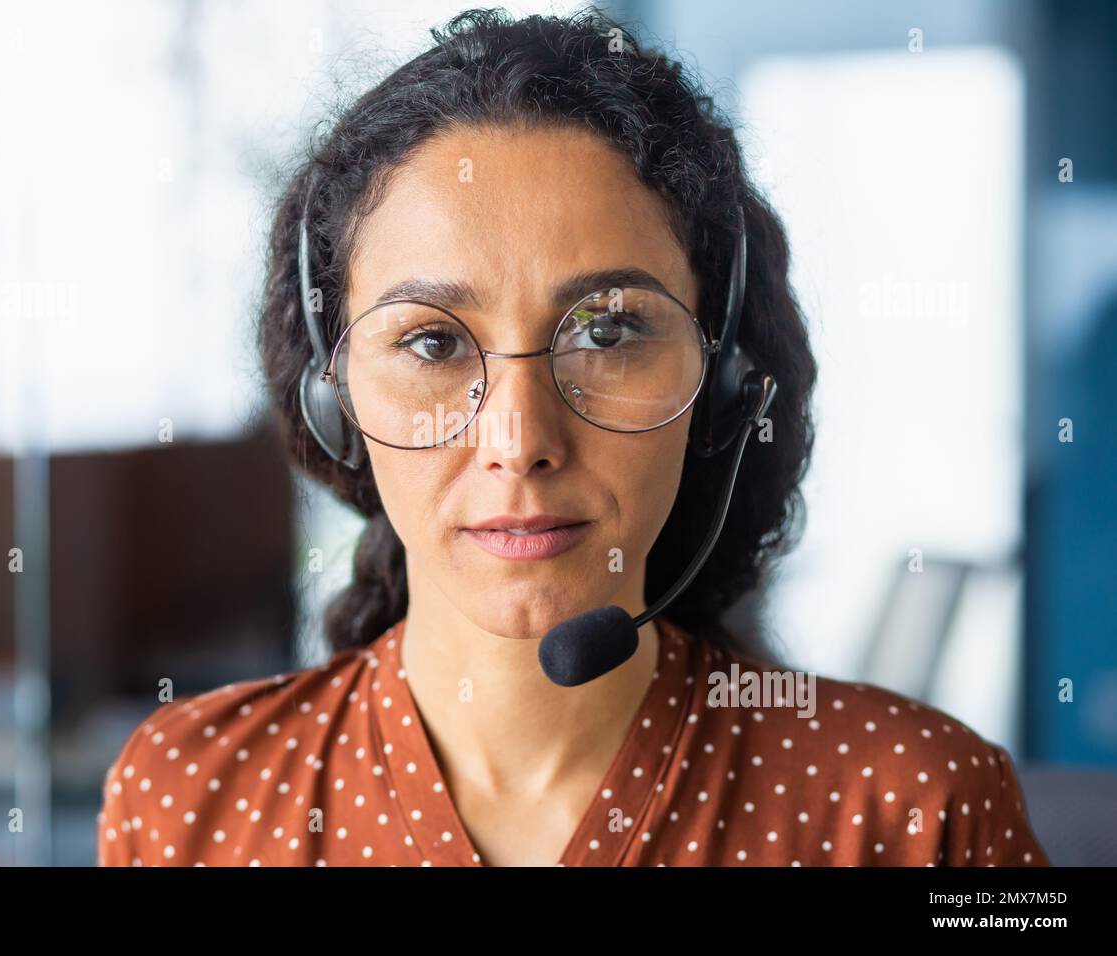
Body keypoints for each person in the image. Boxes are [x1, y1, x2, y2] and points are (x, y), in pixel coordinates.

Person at [97, 7, 1050, 867]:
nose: (519, 440)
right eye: (430, 341)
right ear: (332, 401)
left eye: (607, 331)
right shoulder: (188, 802)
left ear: (721, 388)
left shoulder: (914, 811)